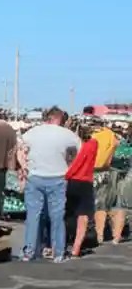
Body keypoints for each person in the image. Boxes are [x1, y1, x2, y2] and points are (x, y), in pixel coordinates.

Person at [17, 107, 81, 262]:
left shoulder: (33, 132)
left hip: (35, 177)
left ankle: (30, 251)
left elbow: (20, 148)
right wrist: (70, 166)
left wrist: (24, 166)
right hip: (58, 177)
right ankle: (58, 253)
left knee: (33, 215)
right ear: (59, 119)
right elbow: (80, 149)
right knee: (57, 216)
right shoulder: (66, 134)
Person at [64, 125, 98, 258]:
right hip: (86, 181)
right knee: (83, 215)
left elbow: (76, 163)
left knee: (69, 213)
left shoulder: (75, 146)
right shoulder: (93, 144)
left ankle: (66, 242)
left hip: (73, 180)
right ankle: (76, 247)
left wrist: (66, 175)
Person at [89, 120, 121, 243]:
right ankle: (110, 235)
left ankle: (98, 234)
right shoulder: (110, 135)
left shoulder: (91, 135)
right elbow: (114, 148)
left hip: (92, 171)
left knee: (97, 204)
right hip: (108, 171)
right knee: (108, 203)